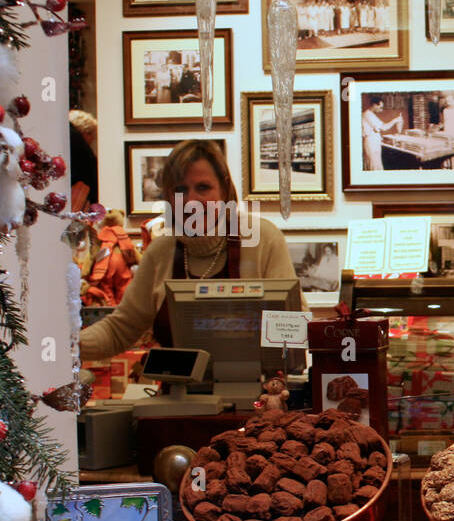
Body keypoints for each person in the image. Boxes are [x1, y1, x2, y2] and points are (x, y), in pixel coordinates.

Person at [79, 140, 294, 361]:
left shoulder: (263, 240)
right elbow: (119, 330)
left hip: (258, 393)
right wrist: (69, 346)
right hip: (178, 392)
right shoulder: (160, 252)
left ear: (225, 189)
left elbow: (293, 325)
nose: (191, 200)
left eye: (203, 187)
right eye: (180, 190)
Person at [80, 210, 137, 308]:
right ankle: (122, 308)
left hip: (105, 267)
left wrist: (85, 270)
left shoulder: (101, 238)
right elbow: (134, 253)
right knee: (124, 287)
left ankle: (110, 307)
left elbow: (92, 255)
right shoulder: (124, 237)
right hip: (123, 269)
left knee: (106, 289)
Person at [362, 97, 403, 171]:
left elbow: (383, 125)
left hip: (374, 143)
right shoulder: (367, 114)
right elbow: (383, 128)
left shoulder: (371, 114)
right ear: (374, 105)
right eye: (380, 107)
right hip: (371, 144)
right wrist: (395, 120)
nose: (381, 109)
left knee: (376, 164)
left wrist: (395, 121)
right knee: (373, 166)